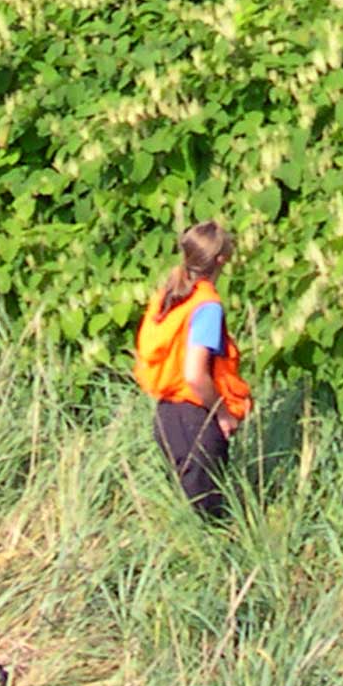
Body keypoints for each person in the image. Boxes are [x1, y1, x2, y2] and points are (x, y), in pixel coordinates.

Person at [133, 220, 251, 520]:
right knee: (213, 521)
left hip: (167, 416)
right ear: (221, 259)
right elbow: (195, 374)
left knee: (192, 515)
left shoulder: (170, 295)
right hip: (196, 419)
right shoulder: (206, 305)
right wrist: (222, 412)